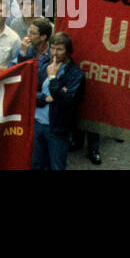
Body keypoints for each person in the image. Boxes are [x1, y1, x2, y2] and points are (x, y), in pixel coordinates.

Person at [32, 31, 85, 170]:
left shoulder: (75, 74)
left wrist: (53, 79)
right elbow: (30, 91)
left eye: (60, 49)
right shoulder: (43, 65)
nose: (54, 53)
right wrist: (44, 98)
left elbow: (67, 101)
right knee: (36, 164)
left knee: (56, 166)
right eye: (52, 48)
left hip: (57, 128)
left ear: (68, 51)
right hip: (37, 124)